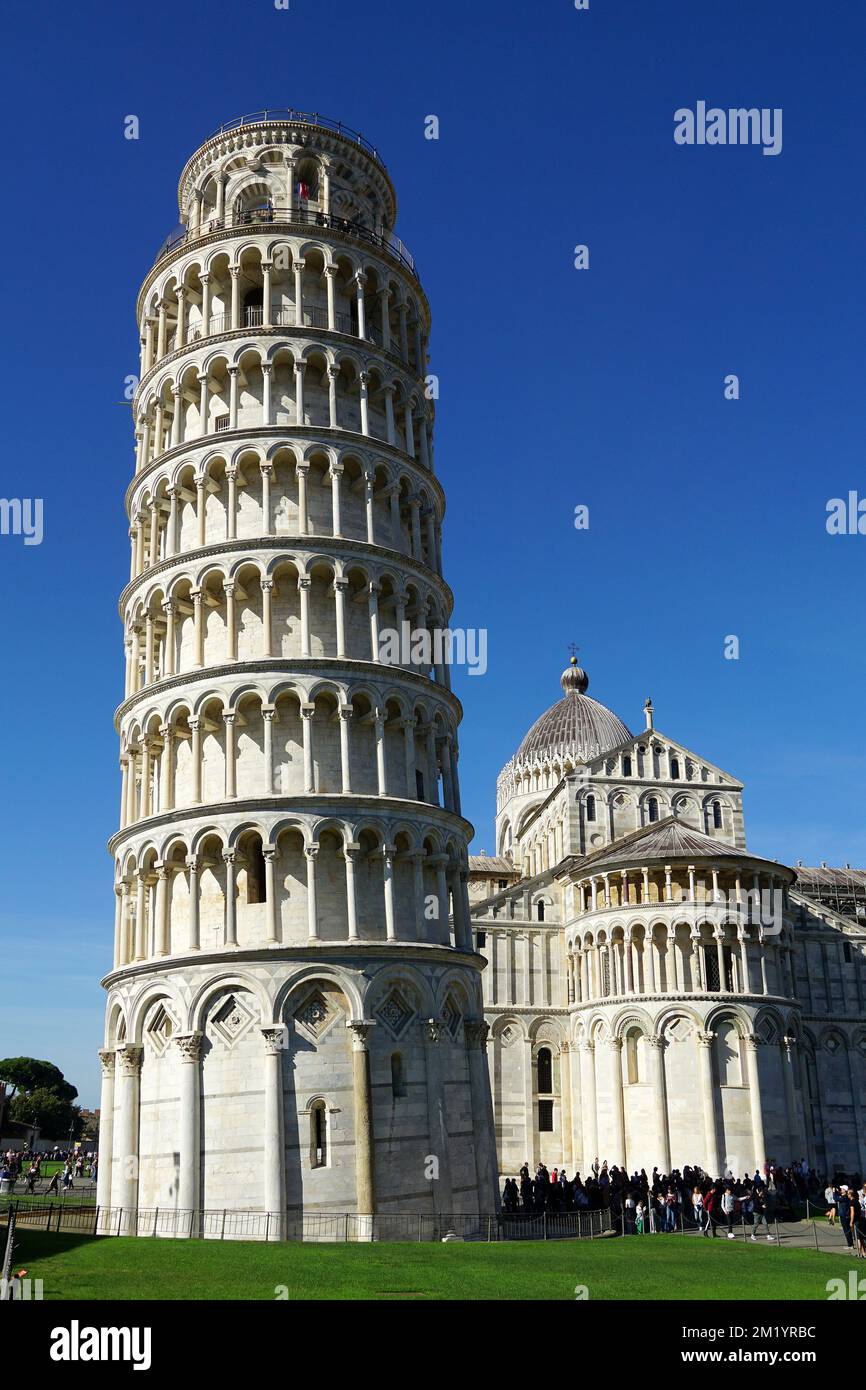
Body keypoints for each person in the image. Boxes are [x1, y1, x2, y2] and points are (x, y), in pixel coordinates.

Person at [836, 1185, 856, 1251]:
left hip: (845, 1216)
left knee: (847, 1231)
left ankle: (850, 1245)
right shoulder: (844, 1196)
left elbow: (836, 1198)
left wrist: (833, 1193)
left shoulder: (845, 1197)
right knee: (846, 1231)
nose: (840, 1189)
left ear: (844, 1190)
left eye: (842, 1189)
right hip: (844, 1215)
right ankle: (850, 1244)